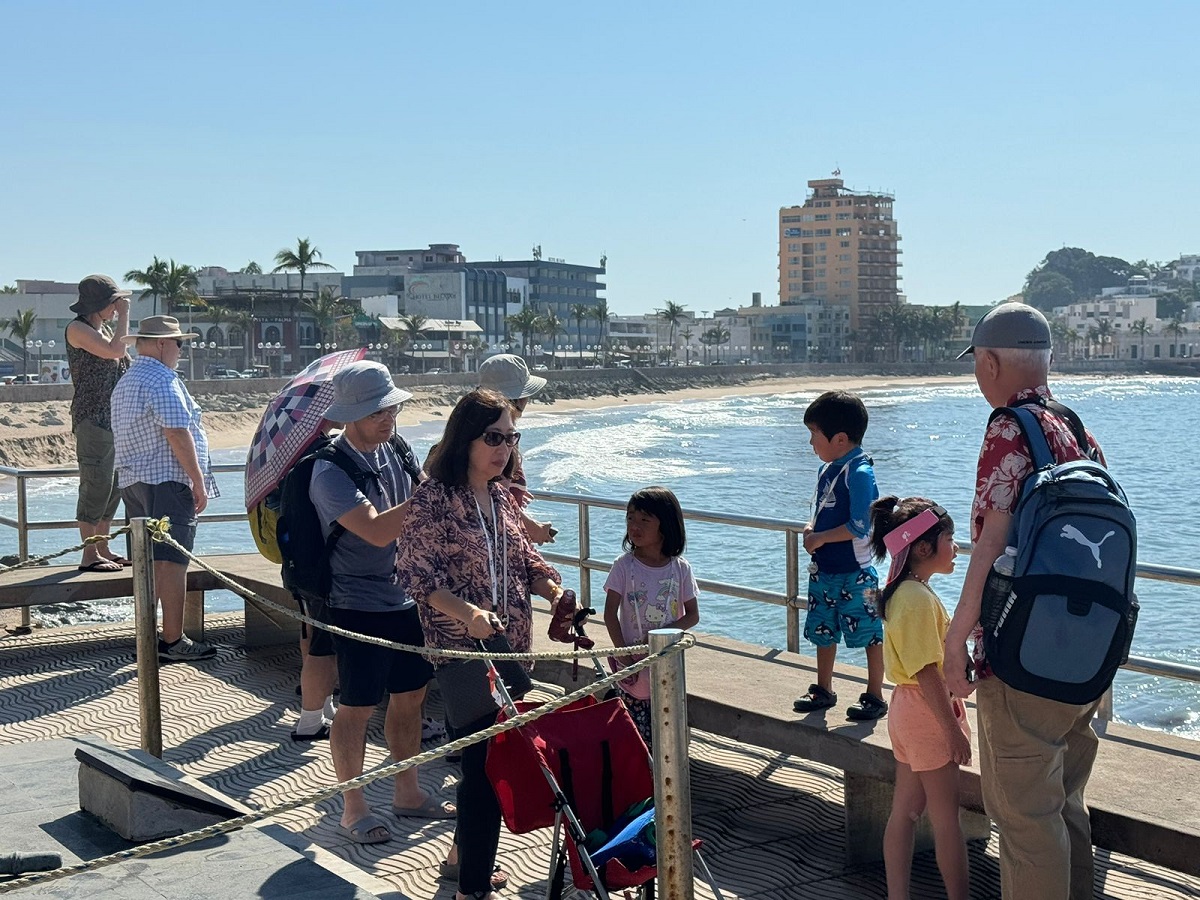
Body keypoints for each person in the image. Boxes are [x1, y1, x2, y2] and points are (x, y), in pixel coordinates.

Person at [944, 302, 1106, 900]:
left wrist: (956, 638)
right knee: (1064, 806)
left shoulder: (1007, 427)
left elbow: (990, 545)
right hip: (1085, 653)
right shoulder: (1075, 427)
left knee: (1023, 821)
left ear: (988, 361)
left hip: (1024, 657)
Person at [398, 388, 566, 900]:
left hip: (510, 645)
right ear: (464, 438)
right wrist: (468, 614)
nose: (504, 449)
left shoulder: (501, 496)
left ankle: (466, 865)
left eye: (511, 438)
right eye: (493, 437)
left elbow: (524, 560)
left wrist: (555, 590)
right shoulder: (432, 497)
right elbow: (415, 575)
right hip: (460, 653)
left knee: (494, 762)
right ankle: (472, 886)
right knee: (482, 766)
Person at [310, 361, 453, 843]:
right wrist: (433, 491)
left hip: (408, 595)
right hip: (356, 603)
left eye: (389, 406)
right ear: (350, 415)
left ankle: (407, 792)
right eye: (375, 411)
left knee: (411, 697)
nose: (386, 417)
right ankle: (353, 808)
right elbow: (373, 531)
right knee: (356, 707)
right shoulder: (328, 471)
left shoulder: (397, 447)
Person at [870, 496, 970, 900]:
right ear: (924, 547)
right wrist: (952, 730)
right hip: (928, 712)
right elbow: (927, 671)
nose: (957, 546)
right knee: (947, 819)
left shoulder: (907, 592)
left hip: (906, 710)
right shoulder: (915, 598)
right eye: (950, 537)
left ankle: (898, 895)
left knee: (906, 812)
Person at [110, 316, 218, 662]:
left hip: (133, 481)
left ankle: (147, 634)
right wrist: (198, 481)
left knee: (149, 562)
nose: (180, 352)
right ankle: (173, 639)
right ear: (161, 344)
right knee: (173, 561)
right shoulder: (161, 379)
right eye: (179, 344)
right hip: (166, 481)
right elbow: (176, 431)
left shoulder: (126, 381)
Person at [792, 390, 886, 720]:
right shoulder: (828, 469)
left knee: (871, 634)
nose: (811, 443)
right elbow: (823, 512)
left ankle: (875, 694)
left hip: (856, 570)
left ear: (841, 438)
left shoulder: (859, 472)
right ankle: (823, 688)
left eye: (814, 435)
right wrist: (810, 529)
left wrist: (819, 538)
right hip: (825, 569)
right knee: (823, 629)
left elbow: (860, 526)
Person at [603, 486, 700, 749]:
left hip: (666, 665)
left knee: (669, 733)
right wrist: (622, 652)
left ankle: (667, 784)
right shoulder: (624, 565)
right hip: (632, 667)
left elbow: (692, 615)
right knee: (634, 737)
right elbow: (610, 613)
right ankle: (640, 782)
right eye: (631, 518)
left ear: (665, 525)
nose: (635, 525)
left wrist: (664, 634)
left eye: (645, 519)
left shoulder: (680, 569)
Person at [65, 275, 131, 572]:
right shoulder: (77, 329)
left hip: (112, 418)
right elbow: (116, 352)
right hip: (92, 418)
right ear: (100, 304)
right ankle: (88, 555)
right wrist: (126, 317)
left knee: (113, 486)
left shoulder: (101, 330)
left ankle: (102, 548)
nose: (117, 308)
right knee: (96, 484)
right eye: (113, 303)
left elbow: (121, 358)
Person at [477, 354, 555, 544]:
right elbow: (496, 498)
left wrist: (516, 490)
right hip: (498, 540)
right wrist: (533, 528)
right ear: (520, 399)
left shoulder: (476, 430)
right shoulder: (503, 440)